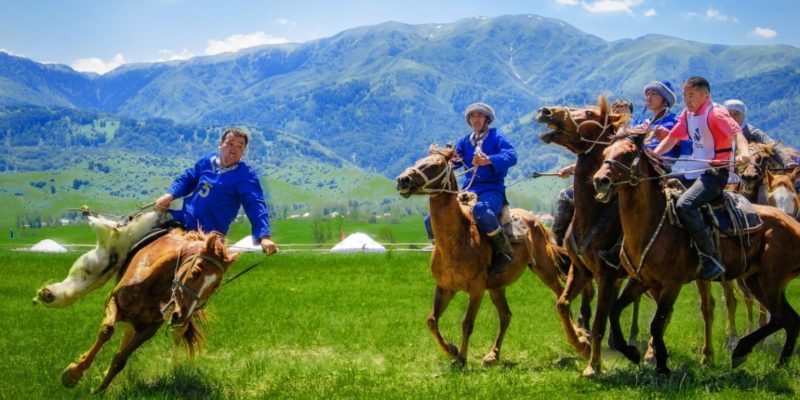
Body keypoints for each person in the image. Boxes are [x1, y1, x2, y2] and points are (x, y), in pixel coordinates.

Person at [653, 76, 748, 280]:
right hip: (692, 172)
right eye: (685, 95)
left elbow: (737, 133)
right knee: (653, 192)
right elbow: (672, 137)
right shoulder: (688, 114)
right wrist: (654, 157)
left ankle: (710, 258)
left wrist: (743, 153)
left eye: (692, 95)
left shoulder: (716, 113)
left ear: (706, 95)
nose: (687, 100)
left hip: (714, 174)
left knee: (685, 205)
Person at [155, 127, 278, 255]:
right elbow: (188, 178)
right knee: (142, 225)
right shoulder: (207, 161)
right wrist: (169, 195)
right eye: (230, 143)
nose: (234, 149)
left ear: (243, 152)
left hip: (209, 236)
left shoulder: (246, 175)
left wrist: (264, 237)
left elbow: (255, 205)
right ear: (220, 144)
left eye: (239, 146)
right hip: (183, 219)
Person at [426, 102, 517, 274]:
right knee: (430, 218)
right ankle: (446, 255)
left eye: (479, 116)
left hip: (492, 189)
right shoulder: (465, 141)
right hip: (469, 190)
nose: (475, 119)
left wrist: (488, 159)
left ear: (487, 120)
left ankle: (504, 251)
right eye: (472, 116)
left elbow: (512, 156)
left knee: (482, 211)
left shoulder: (497, 136)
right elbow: (454, 162)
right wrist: (437, 158)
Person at [723, 98, 797, 173]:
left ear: (743, 115)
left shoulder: (752, 132)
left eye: (736, 114)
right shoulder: (719, 130)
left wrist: (787, 162)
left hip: (747, 172)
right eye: (729, 114)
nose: (732, 117)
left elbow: (772, 145)